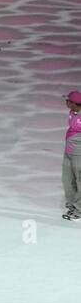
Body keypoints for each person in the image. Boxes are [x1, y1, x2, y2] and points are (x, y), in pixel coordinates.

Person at [61, 91, 81, 221]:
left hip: (79, 154)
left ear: (74, 103)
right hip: (69, 152)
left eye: (68, 100)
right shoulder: (72, 112)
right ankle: (72, 203)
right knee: (67, 179)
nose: (66, 102)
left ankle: (79, 210)